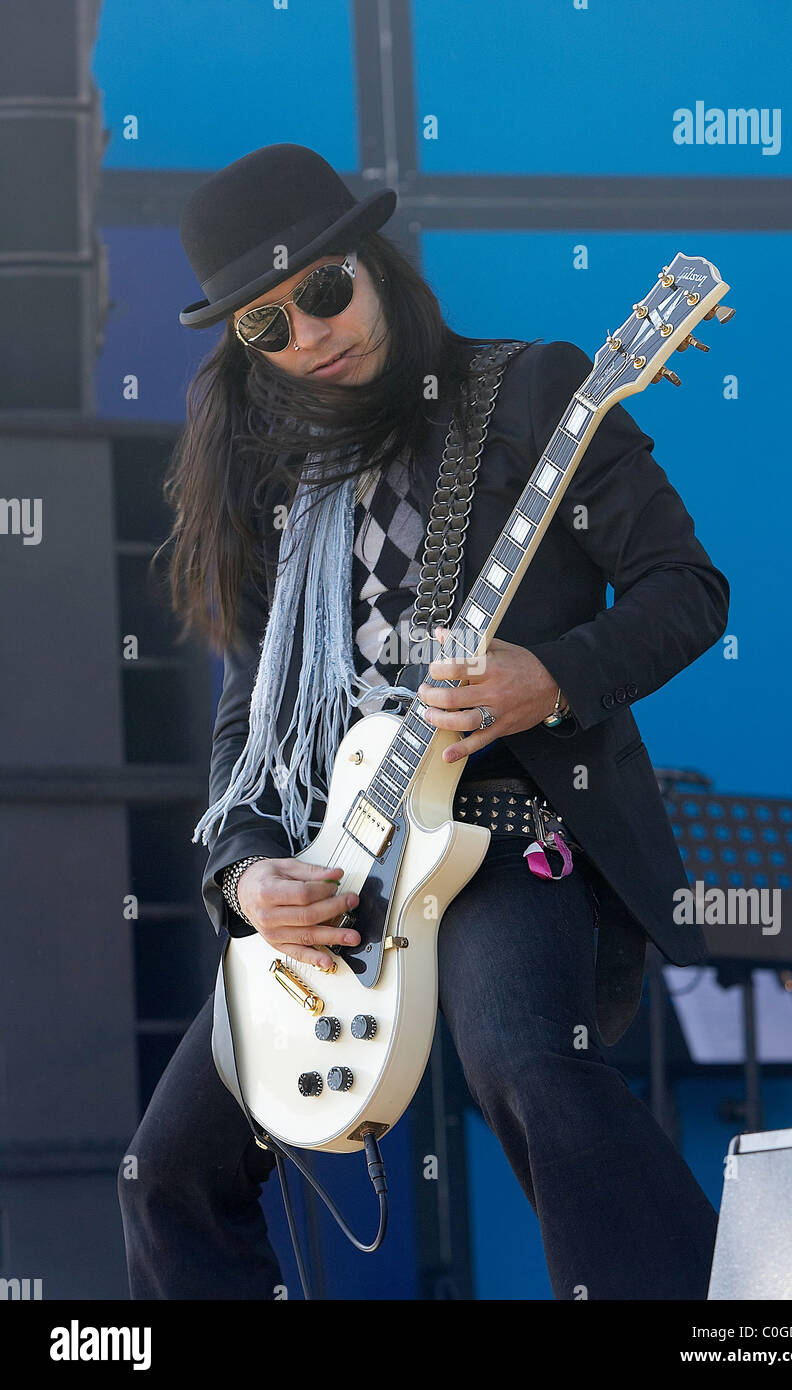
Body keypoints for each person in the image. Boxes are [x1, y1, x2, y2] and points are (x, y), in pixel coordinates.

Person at [118, 143, 730, 1300]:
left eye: (324, 290)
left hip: (505, 826)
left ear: (374, 264)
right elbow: (250, 716)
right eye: (267, 325)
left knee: (530, 1066)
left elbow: (685, 589)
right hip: (332, 860)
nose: (309, 333)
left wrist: (548, 675)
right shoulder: (273, 481)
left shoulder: (541, 390)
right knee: (166, 1171)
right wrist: (247, 876)